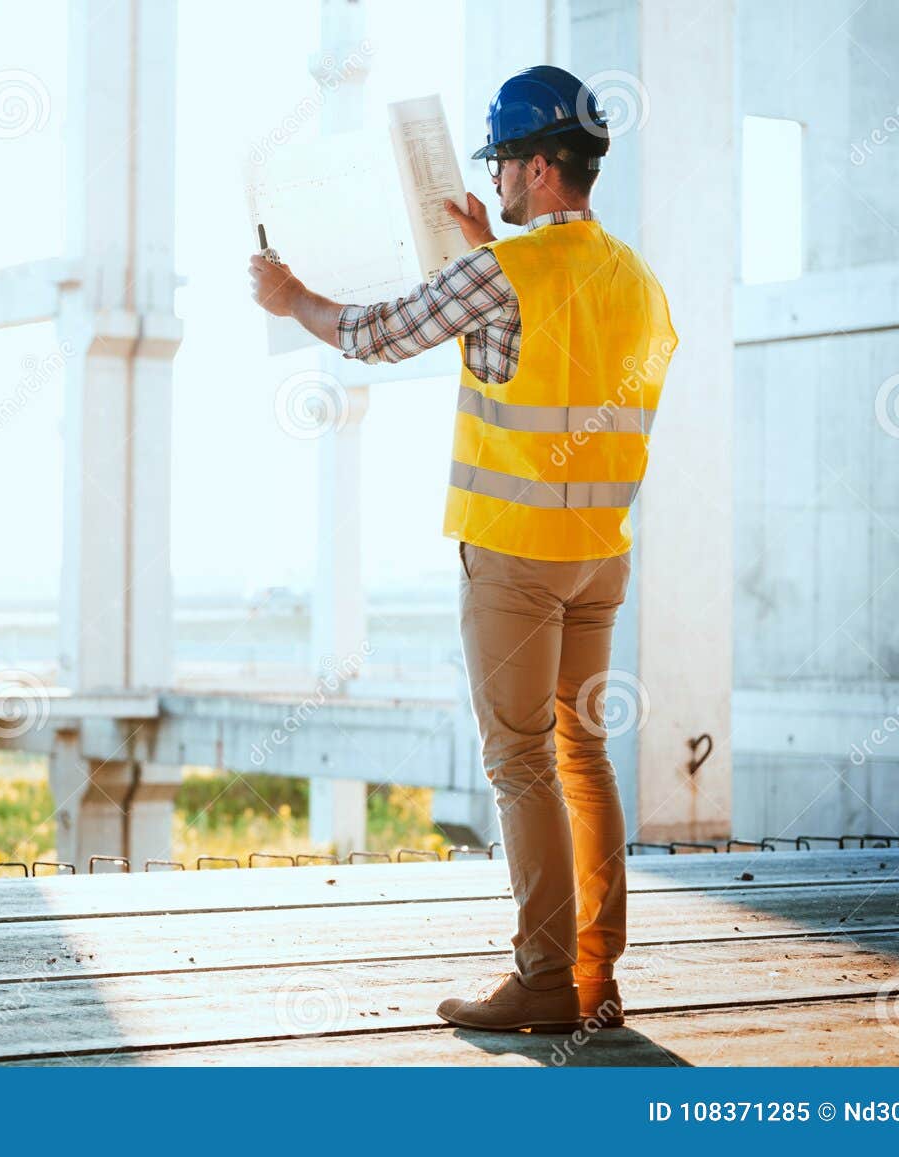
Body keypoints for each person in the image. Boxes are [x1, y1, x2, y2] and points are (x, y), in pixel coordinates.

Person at [248, 65, 678, 1033]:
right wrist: (485, 247)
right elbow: (553, 349)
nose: (499, 179)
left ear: (532, 168)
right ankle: (593, 977)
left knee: (519, 761)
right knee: (581, 757)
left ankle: (539, 980)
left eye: (503, 165)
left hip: (514, 553)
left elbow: (369, 333)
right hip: (599, 552)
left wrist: (290, 296)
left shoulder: (505, 274)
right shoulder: (633, 278)